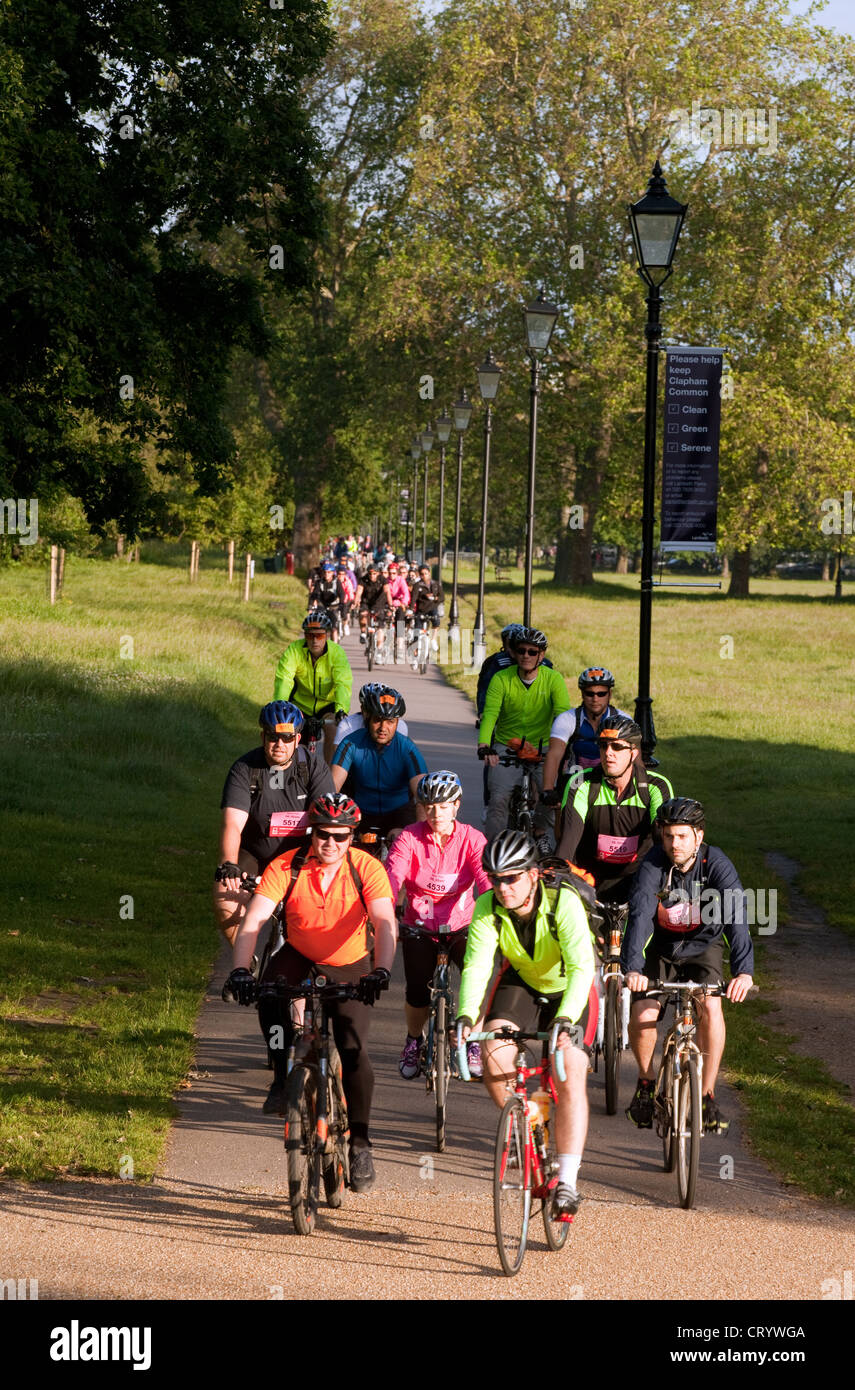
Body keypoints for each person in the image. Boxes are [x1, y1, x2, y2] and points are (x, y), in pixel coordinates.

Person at [223, 793, 395, 1191]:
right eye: (322, 835)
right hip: (301, 954)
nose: (330, 843)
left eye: (340, 836)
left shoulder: (367, 868)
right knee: (268, 993)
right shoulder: (288, 865)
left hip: (351, 963)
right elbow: (255, 920)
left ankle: (362, 1144)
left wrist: (381, 969)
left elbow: (385, 923)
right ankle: (283, 1077)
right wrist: (239, 970)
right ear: (311, 833)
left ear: (352, 836)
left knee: (353, 1050)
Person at [456, 830, 597, 1218]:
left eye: (511, 878)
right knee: (494, 1056)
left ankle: (567, 1182)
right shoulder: (487, 906)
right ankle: (529, 1123)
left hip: (571, 987)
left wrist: (567, 1019)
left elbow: (584, 966)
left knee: (568, 1071)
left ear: (534, 874)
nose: (502, 887)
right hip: (523, 982)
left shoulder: (562, 903)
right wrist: (467, 1015)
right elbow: (478, 964)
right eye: (495, 878)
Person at [622, 797, 754, 1135]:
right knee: (643, 1014)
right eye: (668, 836)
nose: (674, 844)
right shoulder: (654, 864)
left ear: (698, 835)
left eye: (682, 836)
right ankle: (646, 1082)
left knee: (711, 1007)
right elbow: (639, 917)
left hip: (702, 949)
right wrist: (633, 968)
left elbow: (737, 915)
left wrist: (743, 971)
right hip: (662, 951)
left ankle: (708, 1095)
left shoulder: (717, 863)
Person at [385, 771, 491, 1080]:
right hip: (420, 924)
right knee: (417, 990)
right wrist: (385, 909)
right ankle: (413, 1040)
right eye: (429, 806)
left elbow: (484, 881)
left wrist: (493, 911)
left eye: (444, 806)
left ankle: (471, 1041)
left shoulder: (472, 838)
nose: (436, 813)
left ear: (457, 805)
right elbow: (393, 876)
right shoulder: (409, 837)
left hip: (462, 923)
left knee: (479, 978)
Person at [214, 702, 334, 945]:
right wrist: (228, 863)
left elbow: (327, 819)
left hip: (300, 854)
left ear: (298, 738)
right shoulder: (244, 769)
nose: (279, 744)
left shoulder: (312, 767)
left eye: (287, 737)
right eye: (273, 737)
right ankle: (244, 967)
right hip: (255, 852)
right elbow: (232, 824)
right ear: (262, 736)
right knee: (226, 896)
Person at [555, 716, 673, 902]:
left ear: (633, 752)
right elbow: (568, 842)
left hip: (638, 879)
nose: (608, 752)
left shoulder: (656, 786)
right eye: (603, 745)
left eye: (617, 746)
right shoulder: (581, 783)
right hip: (589, 879)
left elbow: (663, 841)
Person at [478, 626, 570, 843]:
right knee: (498, 799)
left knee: (550, 795)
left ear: (542, 655)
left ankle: (540, 835)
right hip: (506, 746)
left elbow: (562, 716)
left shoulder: (553, 679)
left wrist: (565, 750)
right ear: (513, 652)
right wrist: (484, 744)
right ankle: (495, 849)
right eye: (521, 651)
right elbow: (490, 714)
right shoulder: (501, 678)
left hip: (544, 746)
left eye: (532, 652)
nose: (526, 656)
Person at [331, 687, 427, 841]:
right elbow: (332, 787)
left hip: (398, 813)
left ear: (397, 722)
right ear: (367, 718)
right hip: (359, 811)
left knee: (399, 839)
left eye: (390, 722)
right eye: (377, 720)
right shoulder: (350, 744)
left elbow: (424, 795)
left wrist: (422, 836)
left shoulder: (407, 748)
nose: (383, 728)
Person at [273, 609, 353, 763]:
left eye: (320, 635)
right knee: (287, 735)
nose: (315, 640)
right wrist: (279, 706)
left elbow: (342, 683)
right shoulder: (294, 650)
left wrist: (341, 710)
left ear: (327, 635)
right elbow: (284, 679)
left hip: (327, 706)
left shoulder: (337, 653)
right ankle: (287, 772)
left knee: (334, 731)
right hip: (300, 705)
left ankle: (330, 780)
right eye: (310, 635)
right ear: (305, 636)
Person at [541, 667, 631, 801]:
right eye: (590, 694)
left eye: (601, 694)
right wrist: (548, 789)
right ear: (582, 694)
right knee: (563, 816)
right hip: (574, 782)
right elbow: (554, 754)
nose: (595, 699)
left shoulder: (623, 720)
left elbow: (635, 757)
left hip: (609, 782)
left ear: (610, 694)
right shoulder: (567, 719)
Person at [334, 682, 410, 749]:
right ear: (362, 709)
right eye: (367, 709)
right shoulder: (347, 725)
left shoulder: (400, 726)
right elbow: (338, 753)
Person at [354, 562, 393, 648]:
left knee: (380, 627)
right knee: (362, 614)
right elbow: (359, 591)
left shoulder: (383, 579)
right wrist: (355, 602)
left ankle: (379, 650)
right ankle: (363, 633)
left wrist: (391, 604)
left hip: (379, 603)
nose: (372, 575)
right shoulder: (363, 579)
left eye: (374, 574)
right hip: (366, 602)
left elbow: (387, 591)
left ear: (378, 573)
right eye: (370, 573)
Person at [408, 564, 443, 655]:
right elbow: (414, 598)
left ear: (429, 573)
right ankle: (415, 652)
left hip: (432, 608)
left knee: (436, 620)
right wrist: (411, 609)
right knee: (417, 629)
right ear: (419, 575)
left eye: (426, 573)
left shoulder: (435, 584)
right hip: (421, 609)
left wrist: (435, 598)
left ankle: (433, 639)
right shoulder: (417, 585)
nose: (424, 576)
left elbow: (442, 597)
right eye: (422, 574)